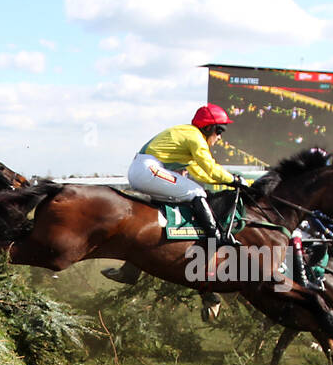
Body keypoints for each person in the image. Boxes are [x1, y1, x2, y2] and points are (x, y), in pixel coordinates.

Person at [102, 104, 246, 284]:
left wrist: (228, 181)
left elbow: (201, 173)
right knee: (196, 191)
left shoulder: (188, 135)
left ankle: (130, 270)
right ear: (208, 127)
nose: (219, 137)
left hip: (143, 169)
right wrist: (235, 180)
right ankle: (217, 241)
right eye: (219, 131)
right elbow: (210, 168)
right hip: (148, 170)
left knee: (159, 214)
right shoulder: (195, 138)